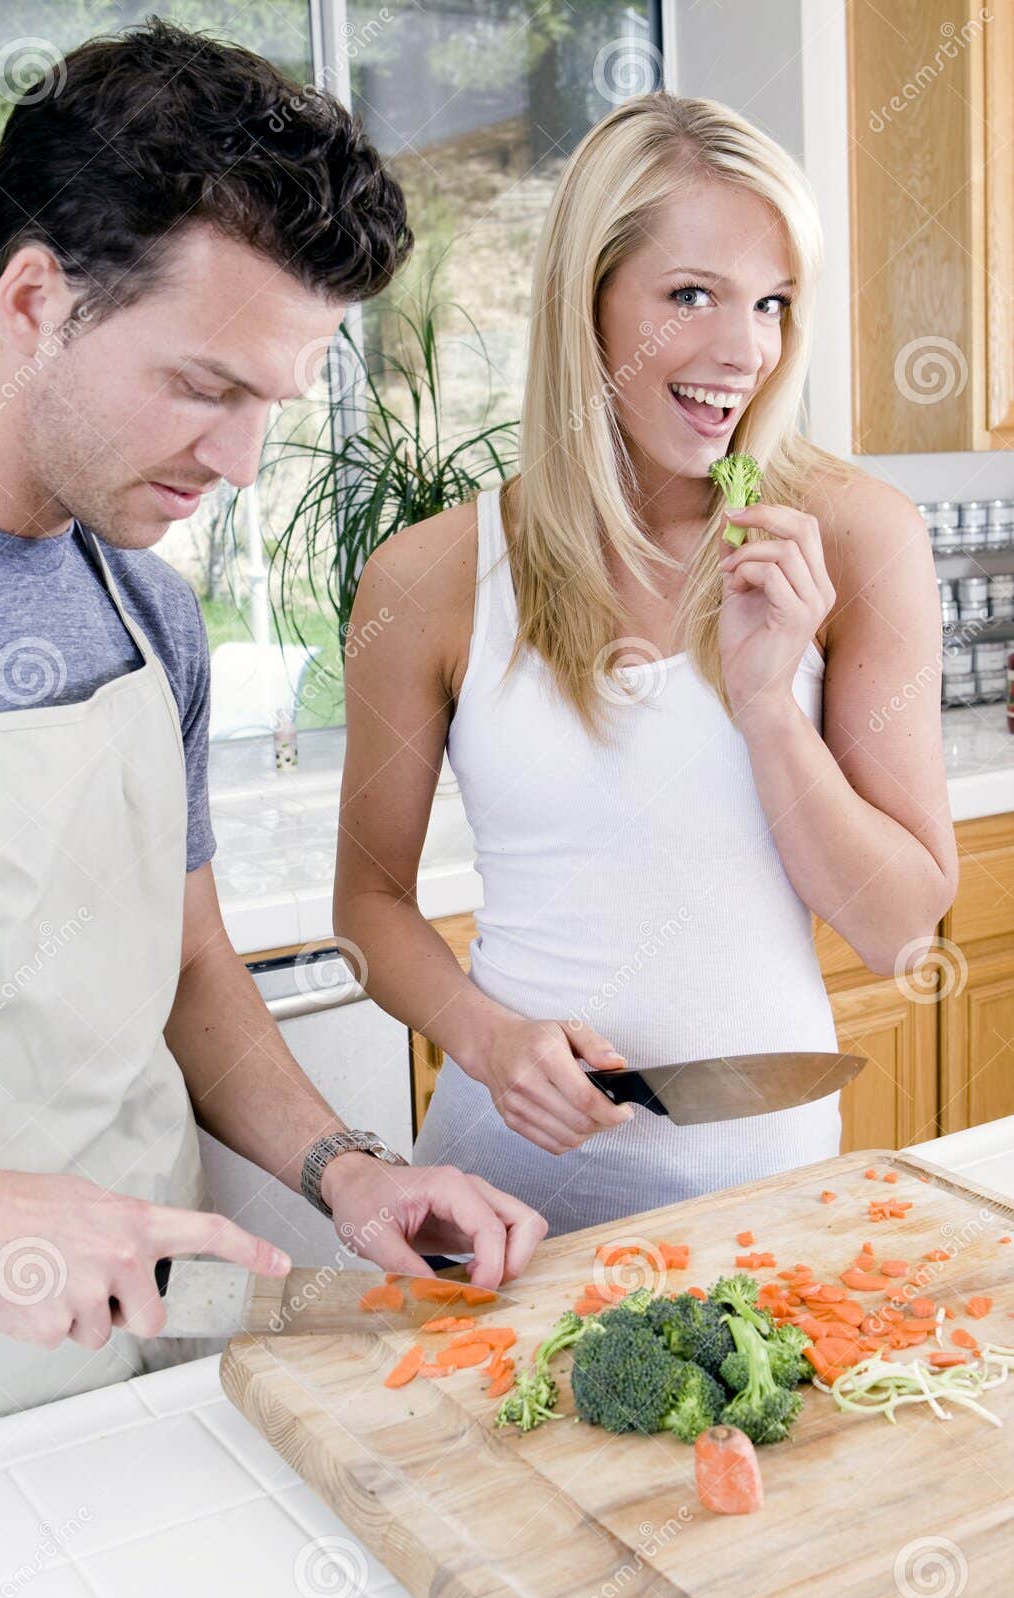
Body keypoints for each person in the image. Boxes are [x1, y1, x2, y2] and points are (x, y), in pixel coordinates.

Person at [0, 20, 547, 1434]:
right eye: (204, 386)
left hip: (151, 1365)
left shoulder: (145, 613)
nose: (237, 461)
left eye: (265, 403)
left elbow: (190, 962)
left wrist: (348, 1170)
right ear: (37, 299)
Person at [333, 90, 959, 1237]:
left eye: (771, 303)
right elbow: (366, 903)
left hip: (769, 1193)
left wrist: (768, 705)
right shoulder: (427, 577)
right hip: (502, 1194)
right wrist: (484, 1038)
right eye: (689, 296)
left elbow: (897, 928)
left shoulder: (854, 539)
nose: (743, 351)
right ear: (589, 306)